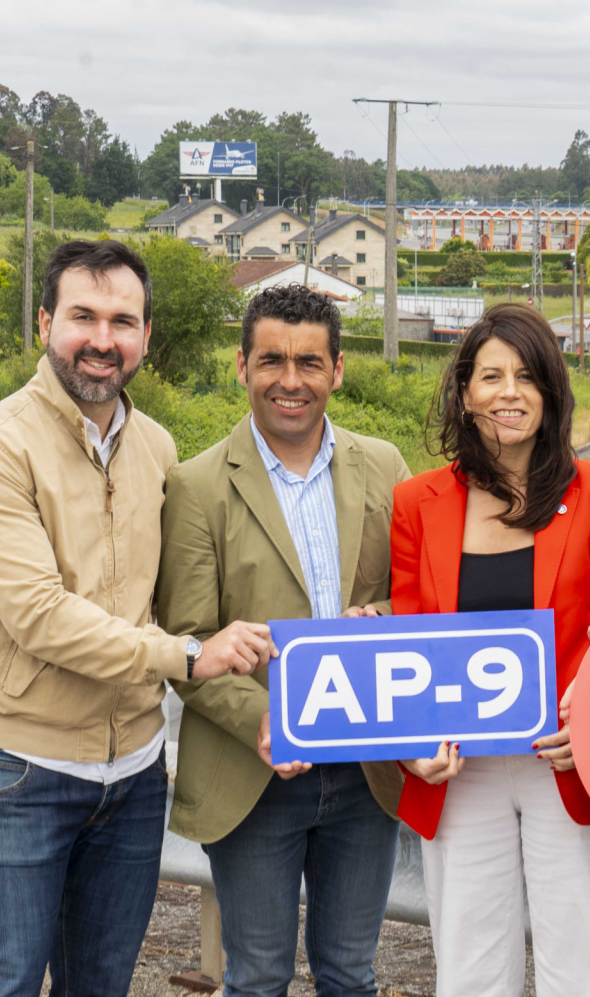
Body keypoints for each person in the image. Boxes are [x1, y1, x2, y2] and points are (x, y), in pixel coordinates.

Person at [0, 239, 275, 997]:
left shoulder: (156, 446)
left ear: (146, 337)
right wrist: (191, 656)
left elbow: (186, 591)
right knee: (3, 984)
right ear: (45, 322)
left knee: (102, 986)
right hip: (19, 769)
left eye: (123, 320)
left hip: (132, 777)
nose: (102, 339)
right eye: (82, 316)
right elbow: (39, 615)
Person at [157, 284, 410, 997]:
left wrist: (387, 617)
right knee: (258, 977)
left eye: (308, 362)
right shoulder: (198, 484)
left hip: (365, 772)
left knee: (351, 975)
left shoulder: (386, 466)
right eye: (271, 360)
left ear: (337, 370)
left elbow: (420, 602)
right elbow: (187, 644)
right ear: (242, 367)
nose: (290, 381)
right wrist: (264, 722)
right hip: (255, 773)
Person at [390, 303, 590, 997]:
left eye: (527, 376)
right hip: (459, 774)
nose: (509, 392)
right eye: (491, 376)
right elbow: (409, 642)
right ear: (465, 394)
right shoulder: (417, 501)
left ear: (551, 391)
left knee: (583, 968)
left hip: (566, 764)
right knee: (470, 970)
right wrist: (412, 745)